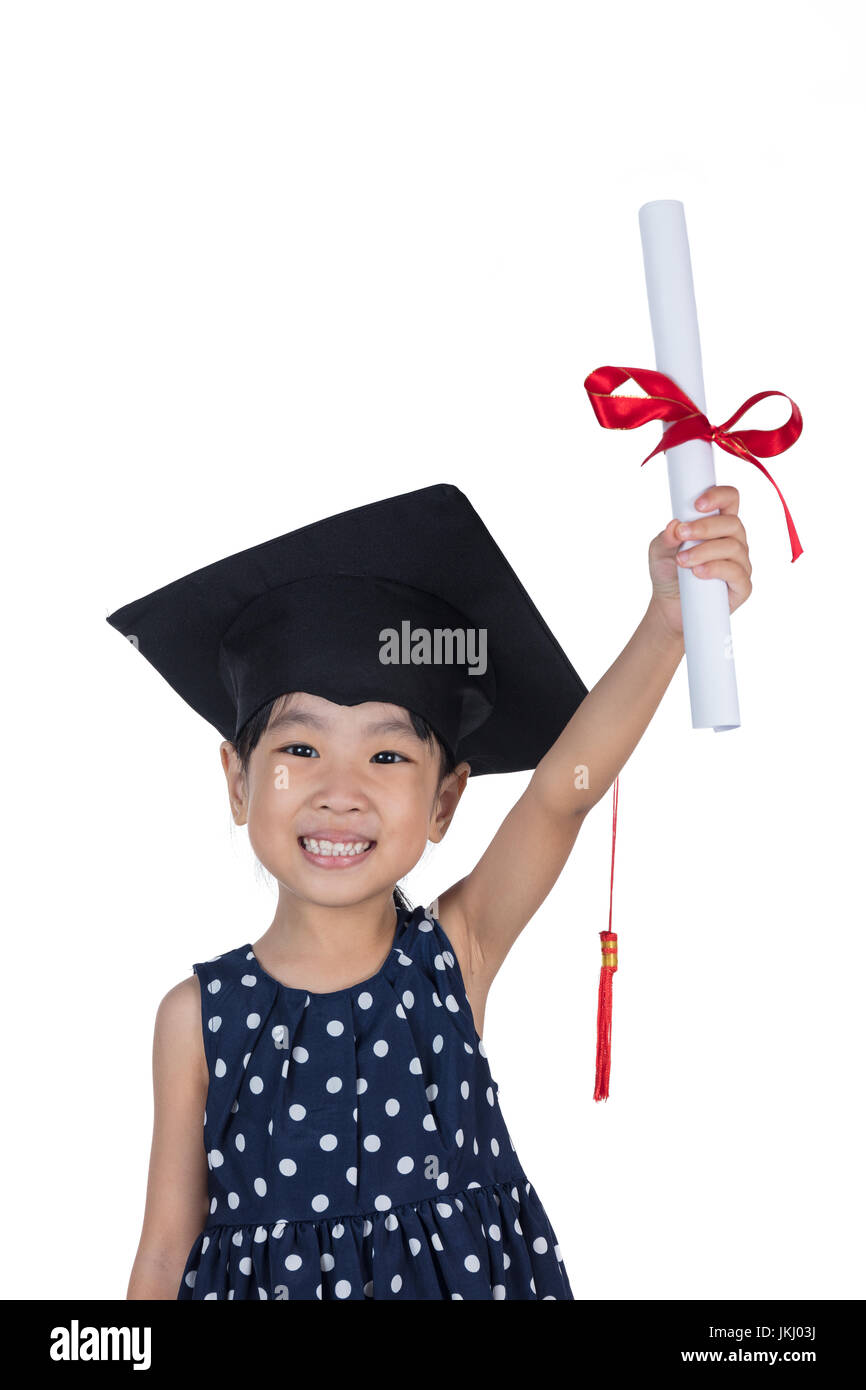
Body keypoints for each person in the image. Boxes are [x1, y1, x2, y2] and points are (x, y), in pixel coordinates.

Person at [111, 481, 751, 1300]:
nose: (340, 790)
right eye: (300, 749)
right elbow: (165, 1254)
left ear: (444, 800)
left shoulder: (455, 954)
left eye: (386, 757)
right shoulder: (196, 1019)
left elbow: (566, 790)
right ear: (238, 782)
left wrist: (668, 626)